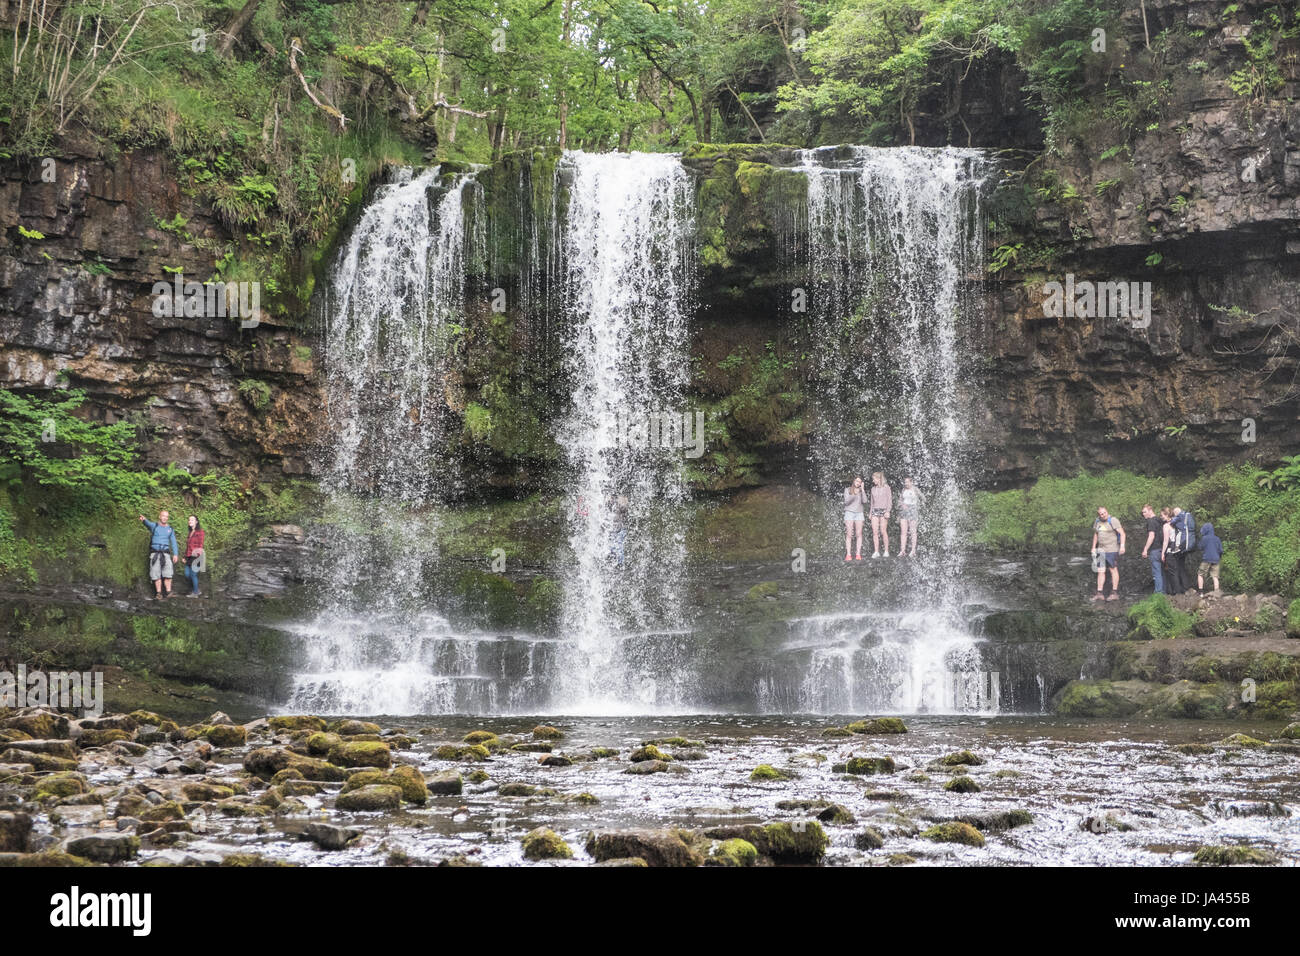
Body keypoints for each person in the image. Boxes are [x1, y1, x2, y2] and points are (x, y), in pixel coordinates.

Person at [138, 510, 179, 600]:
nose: (165, 517)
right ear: (159, 516)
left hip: (166, 553)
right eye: (163, 516)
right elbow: (147, 523)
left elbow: (174, 542)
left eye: (167, 516)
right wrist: (144, 520)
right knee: (155, 573)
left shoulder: (170, 529)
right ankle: (159, 593)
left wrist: (175, 554)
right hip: (155, 553)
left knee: (168, 573)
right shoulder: (154, 526)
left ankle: (168, 592)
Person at [1089, 506, 1125, 601]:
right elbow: (1096, 534)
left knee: (1113, 569)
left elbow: (1122, 533)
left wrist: (1122, 546)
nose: (1103, 515)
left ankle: (1114, 593)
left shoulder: (1113, 520)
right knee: (1101, 571)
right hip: (1101, 550)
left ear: (1107, 512)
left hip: (1112, 550)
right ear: (1098, 515)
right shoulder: (1097, 521)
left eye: (1104, 512)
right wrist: (1093, 547)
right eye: (1101, 514)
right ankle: (1099, 593)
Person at [1139, 504, 1165, 594]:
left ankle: (1159, 592)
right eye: (1142, 513)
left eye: (1145, 512)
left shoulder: (1151, 521)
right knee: (1162, 572)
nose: (1143, 514)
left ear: (1150, 510)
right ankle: (1164, 591)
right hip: (1163, 549)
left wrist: (1145, 549)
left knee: (1156, 572)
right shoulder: (1160, 520)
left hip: (1155, 549)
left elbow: (1151, 535)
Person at [1159, 507, 1185, 595]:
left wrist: (1162, 553)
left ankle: (1177, 593)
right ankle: (1182, 589)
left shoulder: (1166, 526)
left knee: (1172, 572)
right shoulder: (1177, 524)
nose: (1161, 517)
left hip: (1170, 551)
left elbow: (1166, 541)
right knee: (1178, 571)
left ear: (1166, 515)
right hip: (1178, 551)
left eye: (1162, 515)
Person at [843, 476, 867, 561]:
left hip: (859, 513)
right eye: (857, 481)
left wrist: (863, 490)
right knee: (849, 534)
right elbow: (846, 502)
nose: (858, 483)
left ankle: (858, 554)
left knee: (859, 534)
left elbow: (864, 501)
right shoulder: (847, 489)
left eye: (860, 482)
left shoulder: (861, 491)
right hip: (849, 512)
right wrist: (854, 494)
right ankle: (848, 554)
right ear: (853, 481)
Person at [869, 472, 892, 558]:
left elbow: (889, 500)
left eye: (874, 478)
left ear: (878, 479)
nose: (873, 480)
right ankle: (876, 551)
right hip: (875, 510)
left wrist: (888, 511)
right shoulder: (873, 489)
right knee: (875, 532)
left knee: (883, 531)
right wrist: (870, 513)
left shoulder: (887, 488)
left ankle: (886, 551)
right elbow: (872, 502)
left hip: (884, 511)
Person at [897, 477, 922, 557]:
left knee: (913, 531)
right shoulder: (903, 490)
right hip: (904, 511)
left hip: (913, 510)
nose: (906, 483)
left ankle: (913, 550)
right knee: (903, 532)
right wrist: (902, 504)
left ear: (911, 482)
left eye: (908, 482)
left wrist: (917, 505)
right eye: (905, 482)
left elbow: (923, 498)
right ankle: (902, 550)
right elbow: (899, 500)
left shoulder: (915, 489)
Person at [183, 515, 205, 597]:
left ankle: (195, 593)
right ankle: (196, 590)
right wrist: (184, 556)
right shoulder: (190, 533)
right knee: (187, 574)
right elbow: (188, 547)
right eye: (189, 520)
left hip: (196, 556)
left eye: (192, 520)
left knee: (193, 575)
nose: (190, 521)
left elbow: (201, 545)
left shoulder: (200, 532)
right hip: (189, 557)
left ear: (196, 522)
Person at [1197, 522, 1223, 594]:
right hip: (1216, 559)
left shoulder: (1204, 538)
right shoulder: (1217, 539)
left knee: (1200, 574)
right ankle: (1216, 593)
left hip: (1206, 559)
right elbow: (1220, 550)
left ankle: (1201, 592)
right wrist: (1218, 557)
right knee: (1215, 577)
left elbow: (1199, 547)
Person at [606, 494, 628, 567]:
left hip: (620, 529)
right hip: (612, 529)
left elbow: (624, 509)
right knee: (612, 546)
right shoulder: (609, 504)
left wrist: (622, 501)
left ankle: (620, 563)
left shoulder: (621, 503)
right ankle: (613, 561)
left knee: (619, 545)